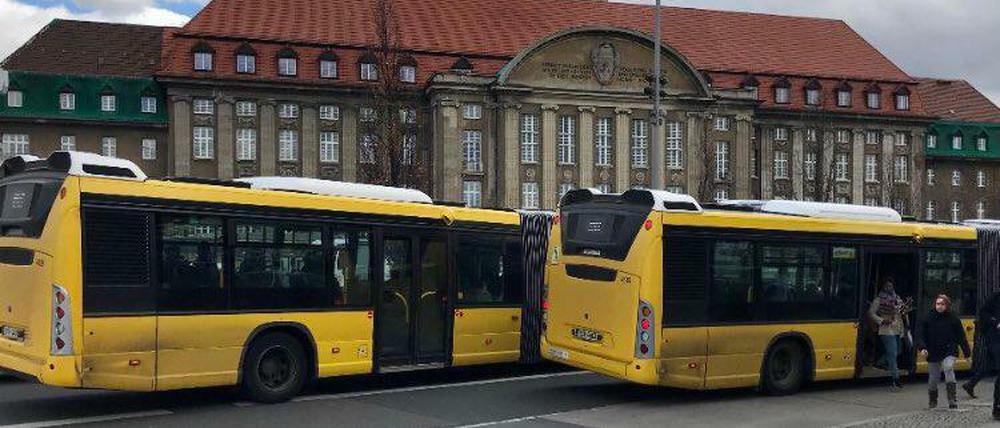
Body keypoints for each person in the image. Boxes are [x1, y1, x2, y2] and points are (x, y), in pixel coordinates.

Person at [917, 294, 971, 410]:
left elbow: (961, 337)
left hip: (949, 349)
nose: (939, 306)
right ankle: (933, 400)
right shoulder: (928, 317)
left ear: (947, 305)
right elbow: (921, 335)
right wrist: (923, 348)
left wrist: (967, 354)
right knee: (933, 378)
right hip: (933, 350)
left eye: (942, 304)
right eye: (937, 304)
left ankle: (952, 398)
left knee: (948, 367)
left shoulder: (953, 318)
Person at [963, 291, 1000, 420]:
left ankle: (971, 384)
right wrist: (996, 322)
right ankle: (997, 407)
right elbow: (984, 313)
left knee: (989, 365)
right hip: (995, 337)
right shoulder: (995, 297)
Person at [869, 278, 906, 391]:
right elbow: (871, 313)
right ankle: (896, 379)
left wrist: (904, 309)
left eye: (891, 286)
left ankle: (879, 362)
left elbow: (902, 311)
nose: (889, 288)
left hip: (897, 329)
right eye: (887, 286)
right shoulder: (878, 300)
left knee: (898, 350)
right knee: (892, 353)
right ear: (883, 287)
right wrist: (881, 320)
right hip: (886, 329)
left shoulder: (897, 298)